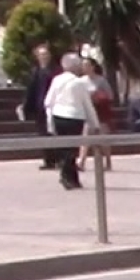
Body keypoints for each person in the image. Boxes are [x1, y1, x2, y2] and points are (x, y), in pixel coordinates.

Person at [45, 54, 97, 190]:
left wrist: (49, 119)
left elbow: (48, 101)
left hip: (58, 115)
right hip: (75, 117)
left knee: (64, 147)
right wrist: (94, 123)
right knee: (72, 149)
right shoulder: (79, 83)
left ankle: (72, 177)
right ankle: (66, 176)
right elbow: (87, 104)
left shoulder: (57, 80)